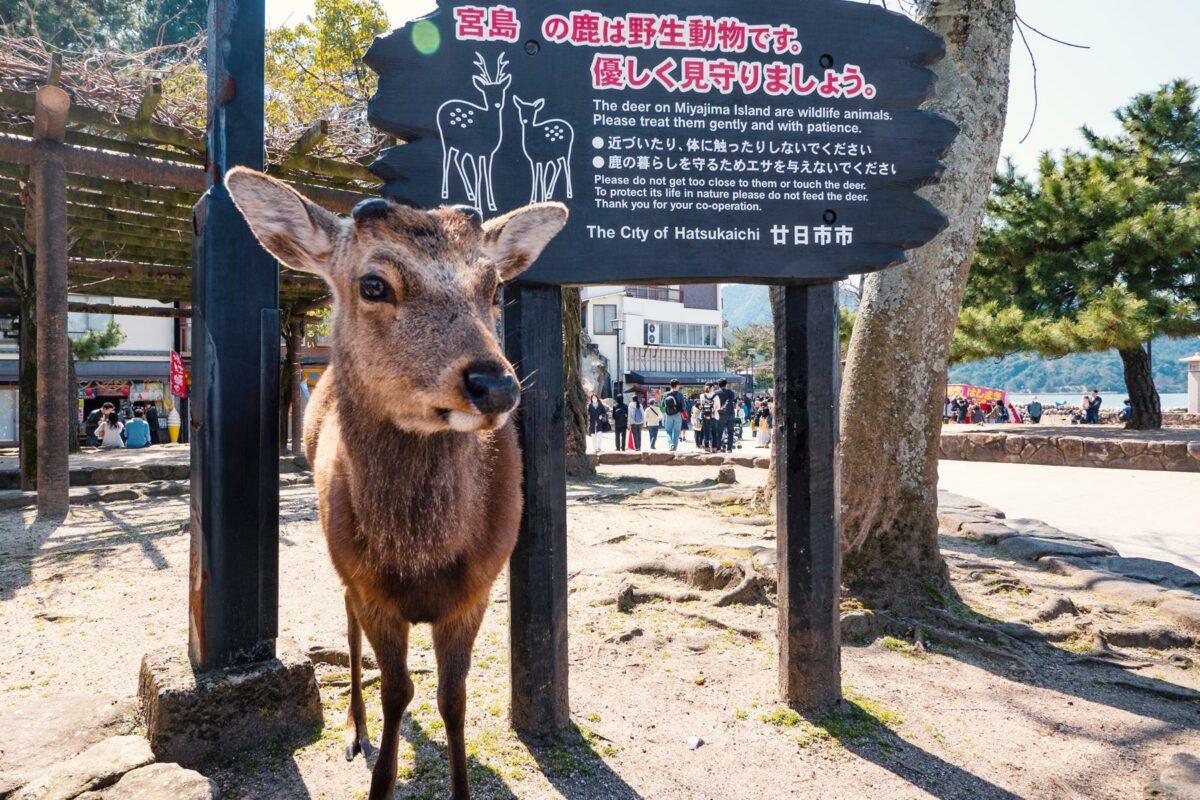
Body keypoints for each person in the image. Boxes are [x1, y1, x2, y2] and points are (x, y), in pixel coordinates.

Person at [660, 379, 686, 452]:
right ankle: (674, 449)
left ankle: (670, 444)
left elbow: (662, 406)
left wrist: (663, 415)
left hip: (668, 415)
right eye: (679, 385)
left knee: (668, 431)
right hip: (677, 415)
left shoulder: (665, 394)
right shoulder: (680, 394)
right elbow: (684, 406)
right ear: (677, 385)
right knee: (677, 432)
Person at [714, 378, 737, 452]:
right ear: (726, 384)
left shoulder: (716, 393)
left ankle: (718, 448)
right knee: (730, 432)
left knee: (719, 432)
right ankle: (729, 448)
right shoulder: (731, 392)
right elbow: (733, 401)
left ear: (718, 385)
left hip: (721, 414)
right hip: (731, 413)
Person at [698, 383, 718, 453]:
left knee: (706, 432)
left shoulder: (702, 396)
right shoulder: (716, 396)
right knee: (714, 432)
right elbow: (718, 407)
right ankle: (714, 447)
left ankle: (706, 447)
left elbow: (701, 405)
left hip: (705, 416)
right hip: (713, 416)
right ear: (711, 387)